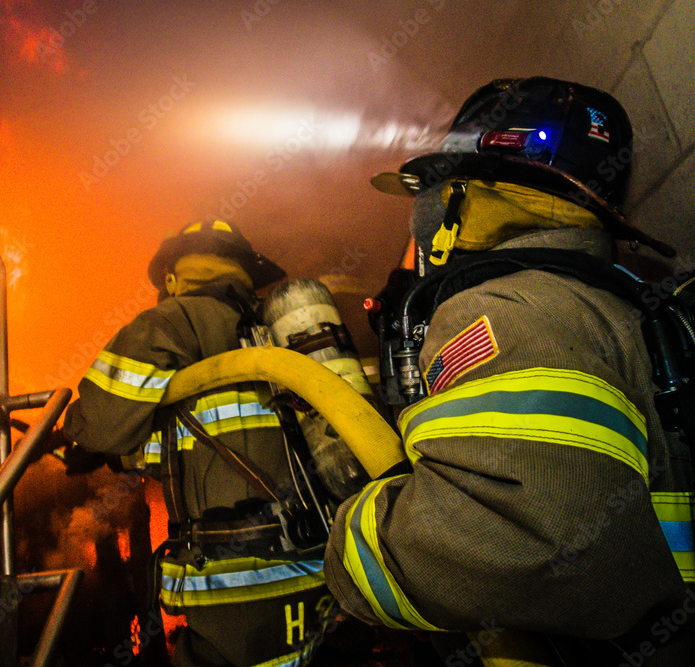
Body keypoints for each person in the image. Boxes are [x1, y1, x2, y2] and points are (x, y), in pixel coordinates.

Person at [324, 77, 695, 664]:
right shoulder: (608, 300)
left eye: (434, 189)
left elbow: (532, 549)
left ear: (459, 201)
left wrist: (351, 541)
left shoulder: (503, 310)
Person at [62, 219, 333, 667]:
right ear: (246, 269)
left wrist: (79, 435)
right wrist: (113, 456)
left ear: (172, 276)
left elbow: (98, 419)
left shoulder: (173, 321)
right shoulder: (284, 329)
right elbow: (205, 439)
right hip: (320, 567)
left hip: (238, 587)